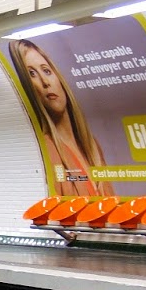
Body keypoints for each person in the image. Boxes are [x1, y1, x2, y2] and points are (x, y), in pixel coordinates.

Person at [8, 38, 111, 196]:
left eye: (46, 71)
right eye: (32, 74)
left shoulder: (92, 146)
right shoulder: (45, 151)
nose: (45, 82)